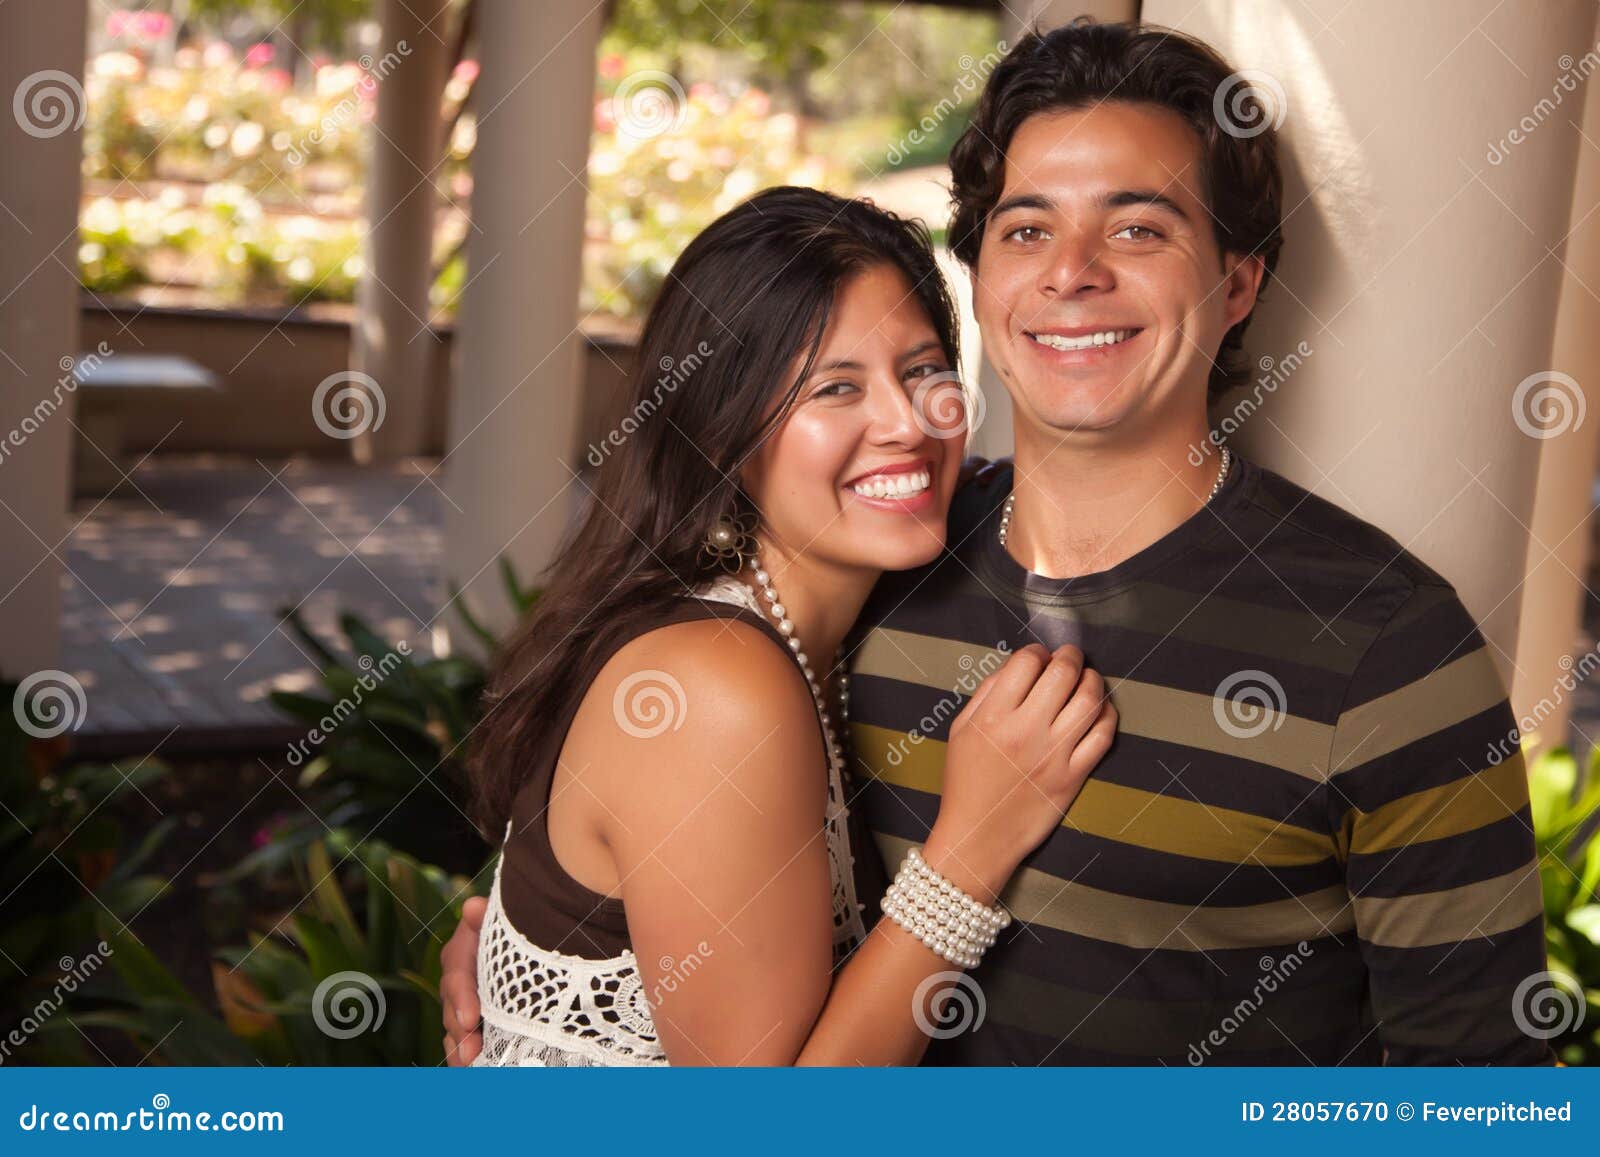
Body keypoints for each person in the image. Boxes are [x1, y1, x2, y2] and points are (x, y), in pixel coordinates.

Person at [446, 19, 1556, 1066]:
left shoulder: (1383, 640)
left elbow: (1481, 1088)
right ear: (984, 281)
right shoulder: (879, 563)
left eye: (1138, 225)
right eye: (1027, 228)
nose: (1072, 269)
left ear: (1237, 283)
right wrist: (542, 958)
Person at [451, 185, 1116, 1067]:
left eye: (923, 371)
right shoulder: (711, 682)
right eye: (835, 387)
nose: (908, 422)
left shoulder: (814, 617)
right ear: (724, 432)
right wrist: (973, 847)